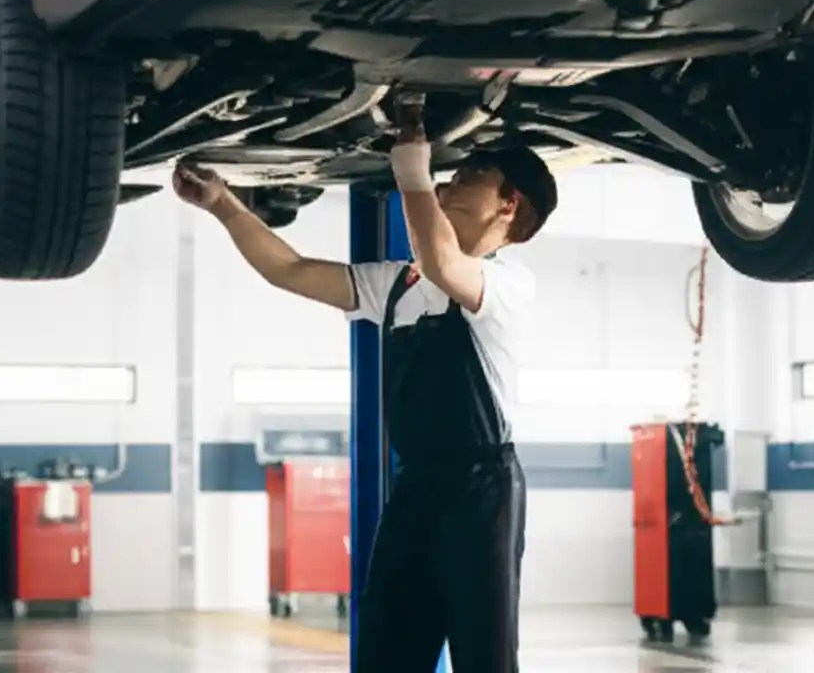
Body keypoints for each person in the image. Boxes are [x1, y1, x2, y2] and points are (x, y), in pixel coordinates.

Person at [173, 126, 557, 672]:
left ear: (509, 204)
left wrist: (411, 170)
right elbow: (290, 270)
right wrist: (223, 204)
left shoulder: (509, 286)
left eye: (474, 175)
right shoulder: (398, 285)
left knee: (484, 657)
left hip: (482, 494)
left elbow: (446, 264)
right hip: (416, 488)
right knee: (388, 648)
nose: (454, 179)